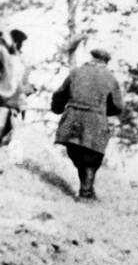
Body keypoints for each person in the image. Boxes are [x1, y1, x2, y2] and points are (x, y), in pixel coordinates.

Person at [50, 47, 123, 200]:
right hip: (95, 122)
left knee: (76, 152)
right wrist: (101, 110)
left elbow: (59, 94)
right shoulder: (110, 78)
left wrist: (57, 108)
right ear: (106, 62)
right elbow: (117, 106)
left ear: (92, 58)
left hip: (72, 119)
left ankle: (86, 190)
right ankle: (86, 192)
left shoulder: (75, 72)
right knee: (92, 157)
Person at [0, 29, 28, 152]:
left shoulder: (15, 59)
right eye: (20, 43)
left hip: (11, 103)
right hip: (6, 102)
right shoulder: (7, 56)